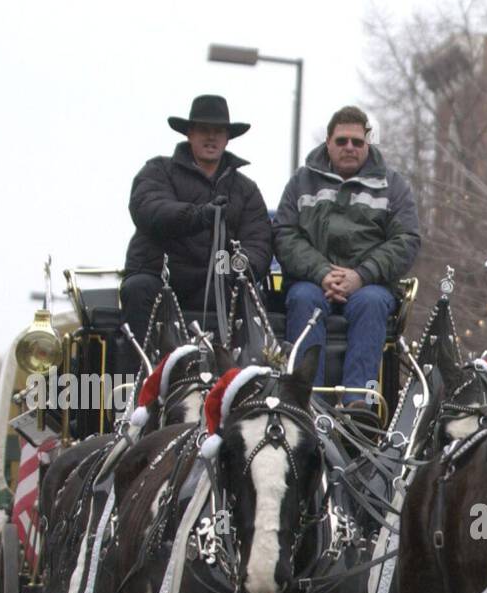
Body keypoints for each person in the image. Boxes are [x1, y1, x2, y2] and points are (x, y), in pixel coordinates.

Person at [274, 106, 421, 403]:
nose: (350, 147)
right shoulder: (300, 182)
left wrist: (361, 275)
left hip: (369, 286)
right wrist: (321, 273)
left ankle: (359, 402)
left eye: (357, 141)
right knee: (303, 299)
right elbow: (284, 234)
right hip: (311, 283)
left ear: (368, 144)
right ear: (328, 142)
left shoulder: (393, 186)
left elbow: (406, 239)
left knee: (372, 303)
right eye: (342, 141)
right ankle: (305, 401)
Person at [121, 95, 272, 343]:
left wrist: (235, 271)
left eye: (218, 131)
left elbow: (258, 243)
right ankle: (142, 376)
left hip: (219, 285)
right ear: (189, 134)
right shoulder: (157, 171)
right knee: (137, 289)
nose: (211, 137)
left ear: (227, 138)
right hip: (162, 279)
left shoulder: (246, 190)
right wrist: (200, 215)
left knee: (251, 297)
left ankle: (247, 375)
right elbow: (150, 210)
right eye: (203, 130)